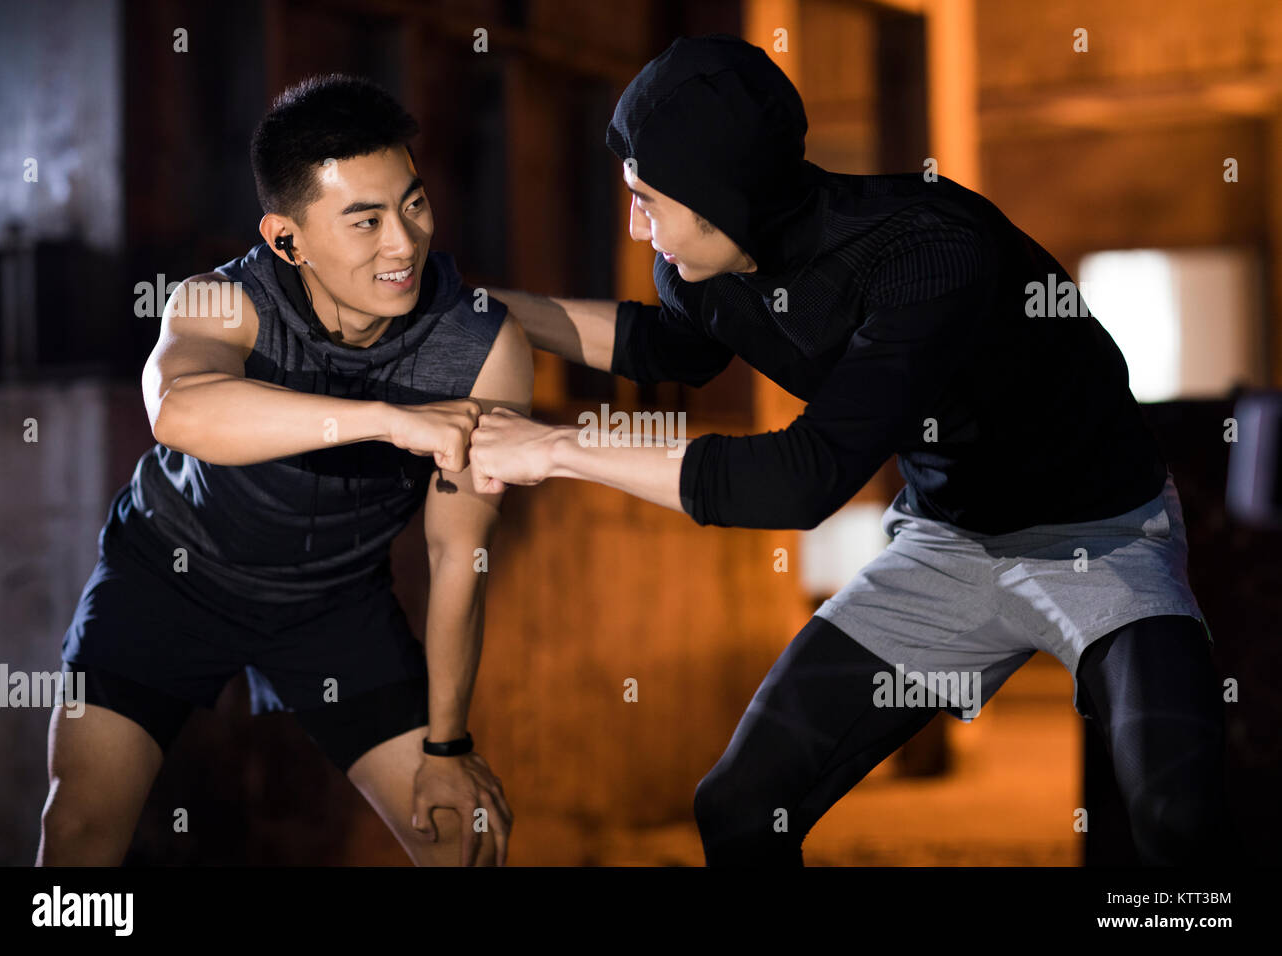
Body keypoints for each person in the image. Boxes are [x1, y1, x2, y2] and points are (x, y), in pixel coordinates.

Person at [469, 34, 1231, 866]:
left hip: (1103, 537)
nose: (634, 226)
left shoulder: (930, 251)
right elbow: (665, 348)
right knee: (740, 808)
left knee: (1178, 818)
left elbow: (804, 480)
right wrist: (474, 309)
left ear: (720, 194)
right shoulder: (707, 268)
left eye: (648, 200)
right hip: (948, 545)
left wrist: (555, 448)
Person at [40, 74, 530, 867]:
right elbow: (179, 411)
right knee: (77, 833)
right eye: (365, 221)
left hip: (335, 603)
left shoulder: (481, 349)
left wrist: (448, 745)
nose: (403, 243)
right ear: (286, 239)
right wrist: (388, 419)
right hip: (170, 575)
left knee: (459, 834)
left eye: (413, 204)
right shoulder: (220, 302)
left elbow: (457, 557)